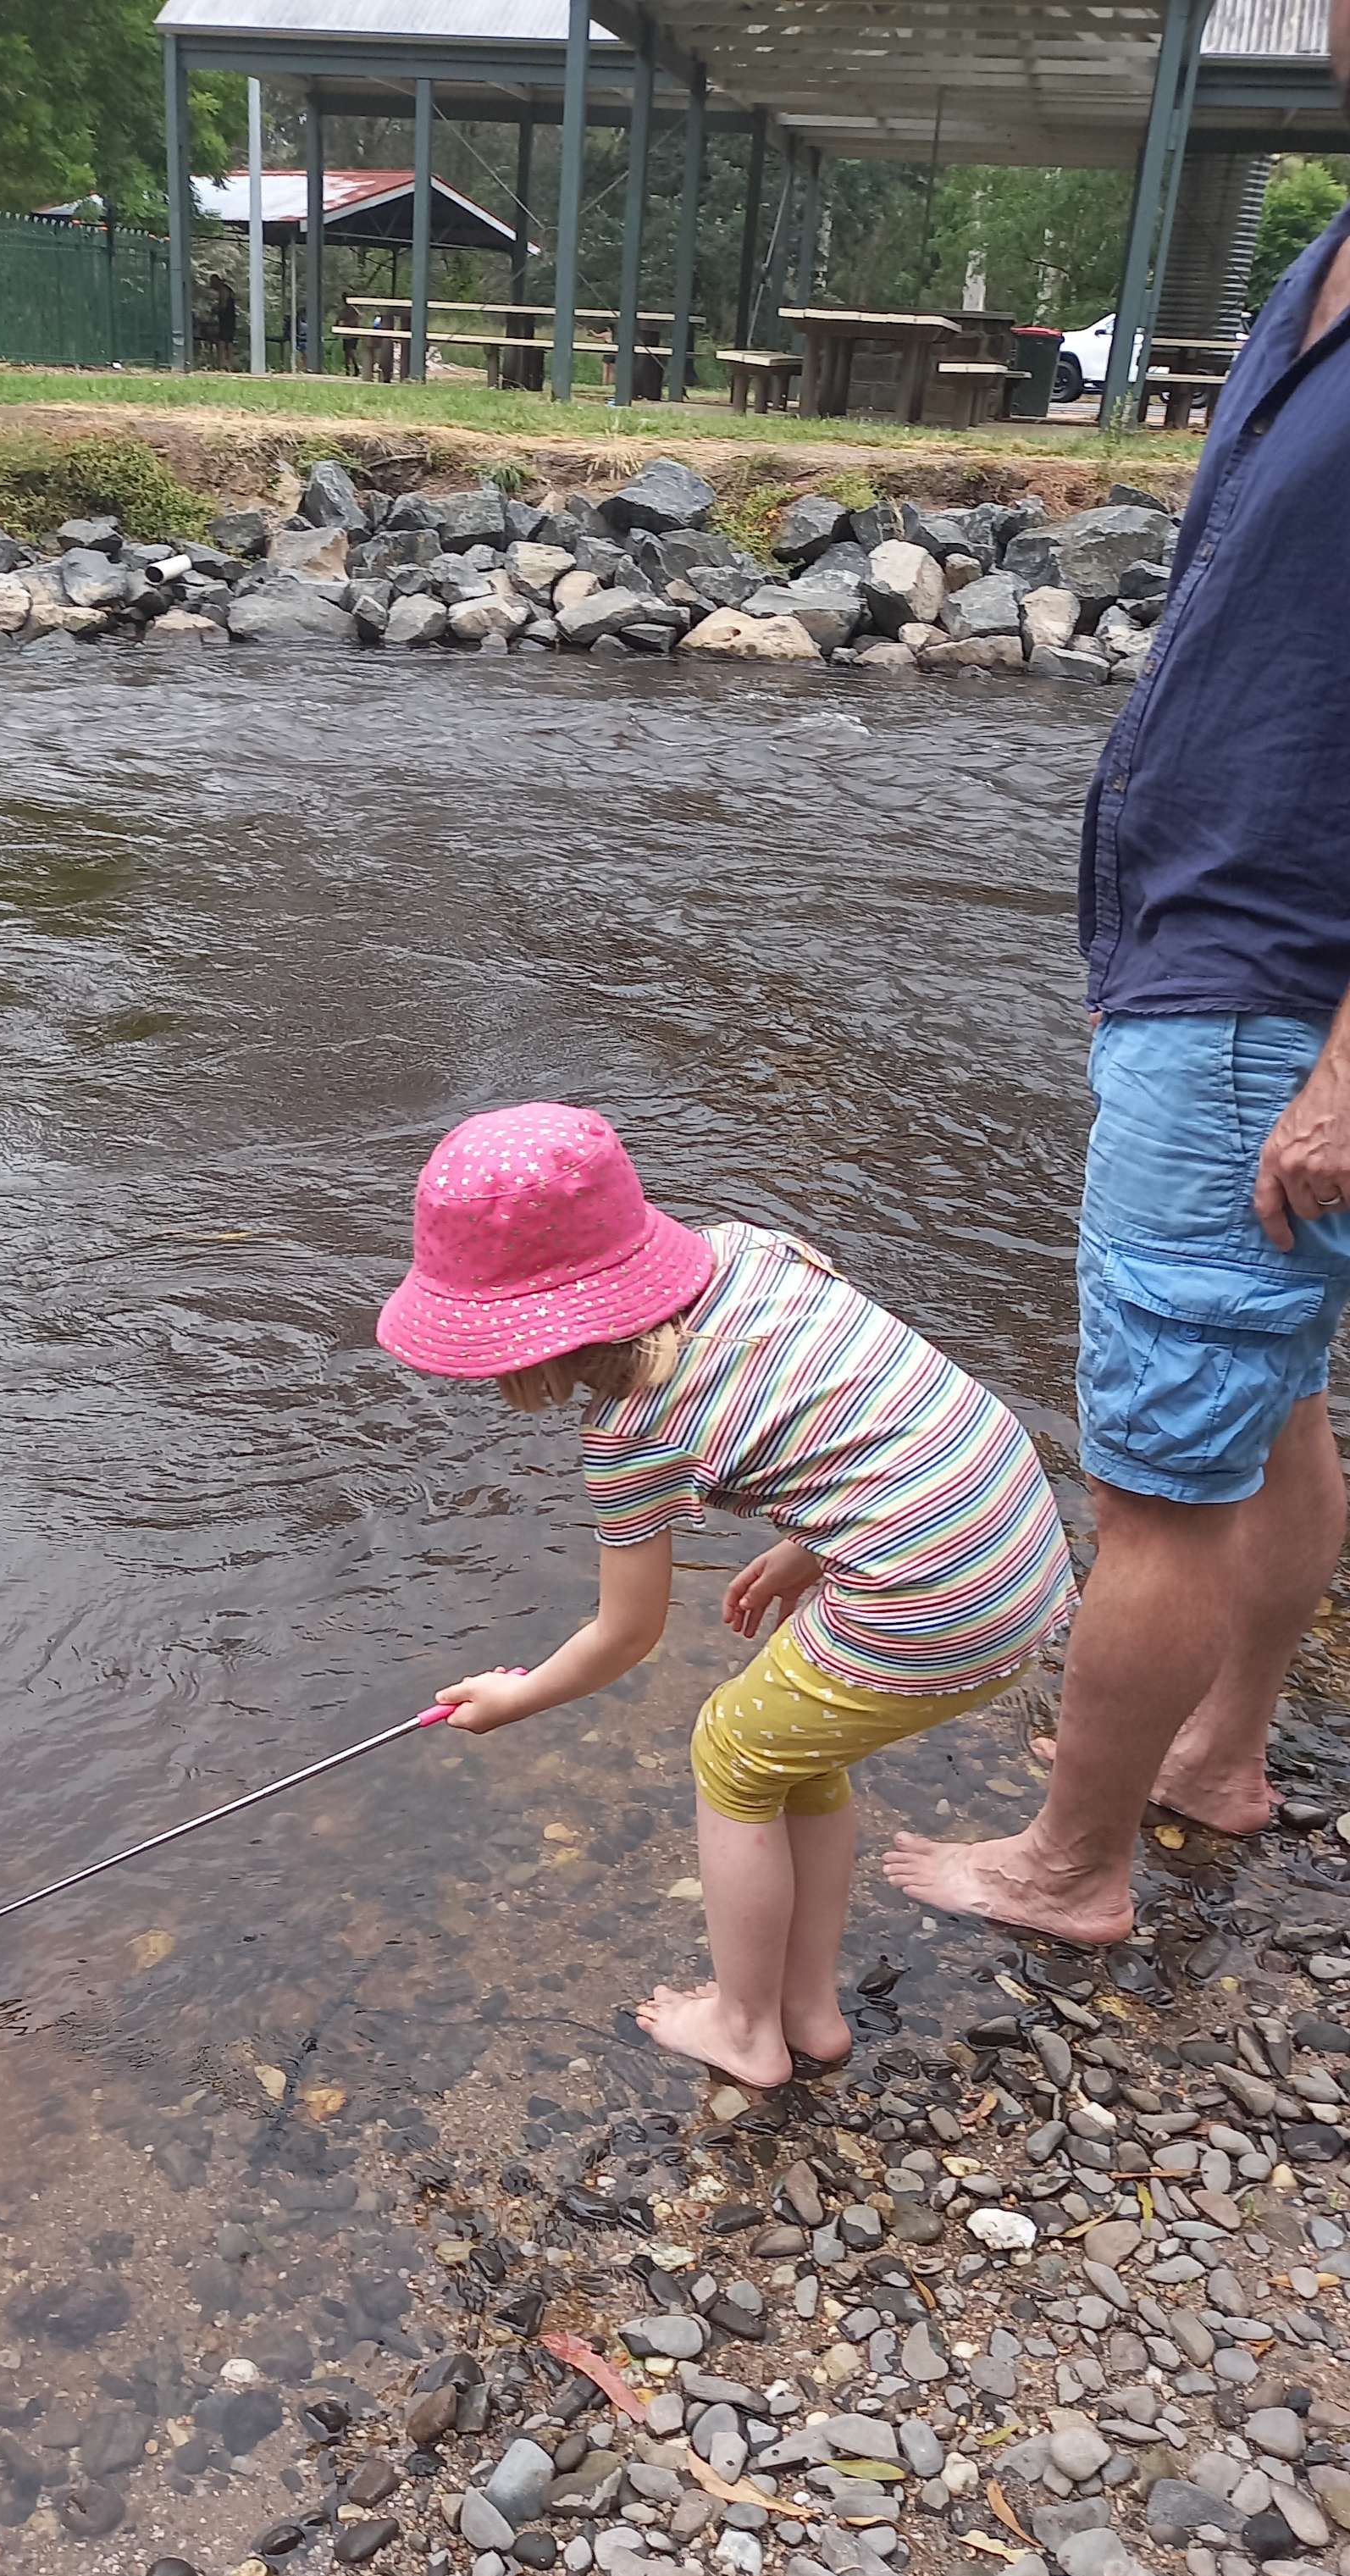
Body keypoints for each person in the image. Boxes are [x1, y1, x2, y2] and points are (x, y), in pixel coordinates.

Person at [885, 0, 1350, 1949]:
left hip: (1274, 967)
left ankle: (1071, 1864)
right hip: (1214, 934)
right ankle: (1221, 1754)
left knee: (1156, 1463)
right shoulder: (1325, 253)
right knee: (1275, 1398)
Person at [378, 1104, 1076, 2088]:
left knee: (731, 1751)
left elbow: (627, 1635)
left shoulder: (632, 1431)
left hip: (929, 1598)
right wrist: (808, 1545)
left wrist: (516, 1696)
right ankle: (809, 2009)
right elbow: (858, 1404)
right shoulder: (754, 1248)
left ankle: (746, 2025)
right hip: (1015, 1540)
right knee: (792, 1752)